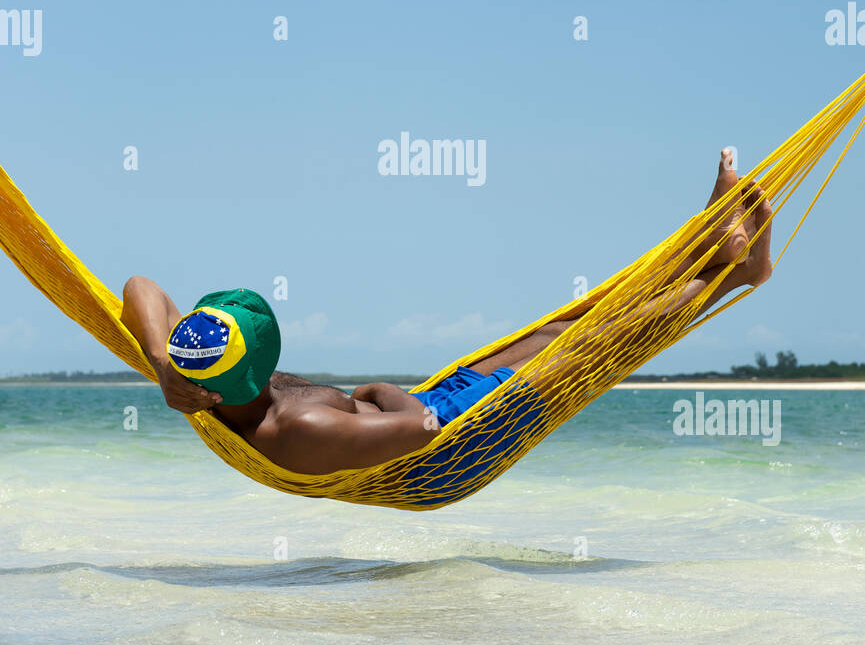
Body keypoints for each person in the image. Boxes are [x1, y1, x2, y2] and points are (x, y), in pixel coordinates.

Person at [120, 150, 772, 478]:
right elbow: (423, 434)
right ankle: (733, 273)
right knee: (599, 343)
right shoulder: (297, 429)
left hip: (438, 402)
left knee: (564, 325)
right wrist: (378, 392)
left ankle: (706, 243)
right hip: (458, 442)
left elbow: (140, 287)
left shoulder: (198, 378)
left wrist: (157, 363)